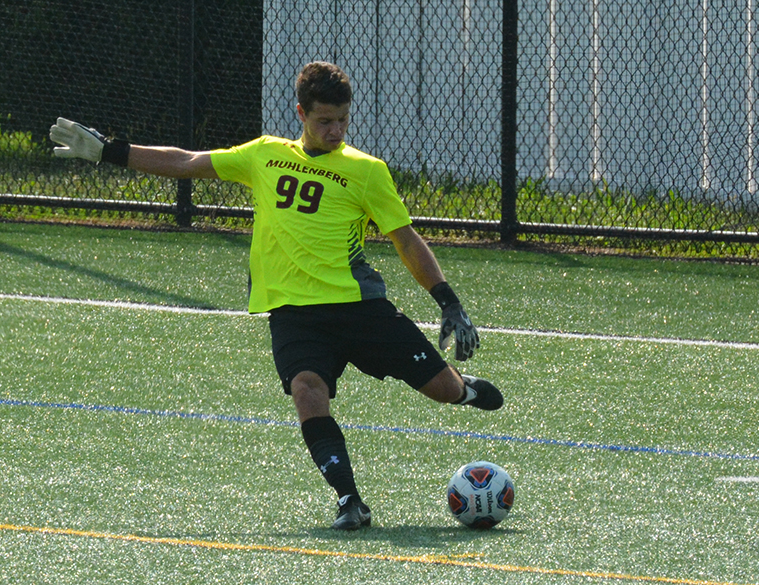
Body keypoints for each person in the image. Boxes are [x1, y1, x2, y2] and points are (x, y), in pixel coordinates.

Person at [49, 61, 503, 530]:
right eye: (325, 120)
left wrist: (447, 300)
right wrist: (110, 152)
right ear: (301, 114)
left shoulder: (367, 172)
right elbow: (186, 161)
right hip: (293, 313)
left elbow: (405, 239)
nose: (336, 129)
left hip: (359, 308)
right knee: (308, 391)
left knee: (442, 391)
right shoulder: (264, 154)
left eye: (343, 120)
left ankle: (463, 388)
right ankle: (350, 500)